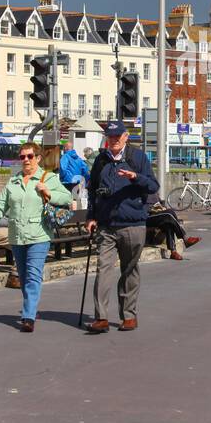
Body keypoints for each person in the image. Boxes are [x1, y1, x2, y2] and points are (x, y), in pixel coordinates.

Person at [0, 143, 72, 333]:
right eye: (22, 156)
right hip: (17, 236)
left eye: (30, 156)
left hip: (39, 235)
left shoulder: (48, 178)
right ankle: (31, 308)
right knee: (23, 277)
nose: (25, 160)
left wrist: (49, 193)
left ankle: (28, 316)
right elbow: (0, 204)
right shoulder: (14, 181)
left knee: (33, 275)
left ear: (38, 158)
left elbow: (67, 198)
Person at [84, 120, 159, 334]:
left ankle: (129, 316)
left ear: (126, 137)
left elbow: (153, 186)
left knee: (129, 270)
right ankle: (101, 318)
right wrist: (91, 216)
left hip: (133, 223)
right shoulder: (100, 160)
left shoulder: (137, 158)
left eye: (117, 136)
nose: (114, 140)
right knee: (103, 269)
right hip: (106, 225)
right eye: (110, 137)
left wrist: (135, 177)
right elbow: (92, 191)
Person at [58, 140, 90, 209]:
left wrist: (61, 178)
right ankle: (76, 217)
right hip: (77, 183)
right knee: (75, 200)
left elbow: (63, 169)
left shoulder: (65, 156)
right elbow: (85, 170)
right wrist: (86, 181)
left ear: (65, 148)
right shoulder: (78, 158)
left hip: (67, 182)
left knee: (67, 201)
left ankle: (69, 217)